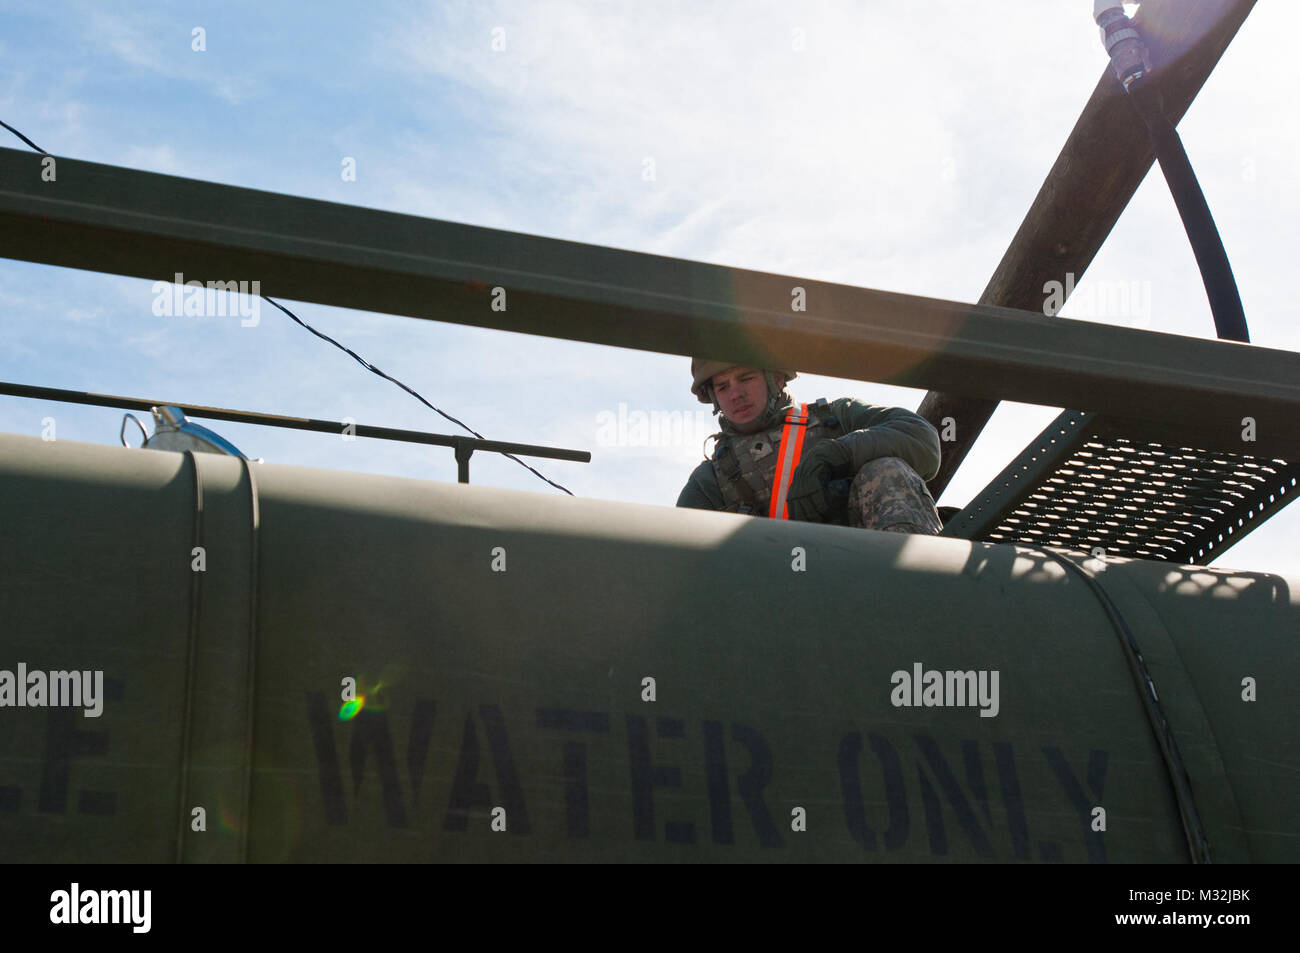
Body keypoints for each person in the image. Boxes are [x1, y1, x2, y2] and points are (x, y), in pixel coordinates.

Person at [676, 360, 944, 534]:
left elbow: (923, 440)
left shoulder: (837, 418)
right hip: (774, 601)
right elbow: (677, 557)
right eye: (723, 387)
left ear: (777, 379)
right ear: (713, 398)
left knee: (886, 469)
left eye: (746, 378)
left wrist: (839, 453)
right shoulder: (710, 479)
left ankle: (922, 595)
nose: (735, 394)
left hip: (868, 574)